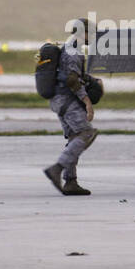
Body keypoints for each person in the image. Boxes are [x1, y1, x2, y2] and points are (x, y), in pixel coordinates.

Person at [44, 18, 98, 196]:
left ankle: (70, 182)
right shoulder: (74, 50)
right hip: (67, 100)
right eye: (91, 32)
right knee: (86, 133)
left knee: (75, 137)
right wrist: (87, 102)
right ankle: (57, 169)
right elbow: (72, 80)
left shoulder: (69, 46)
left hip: (60, 100)